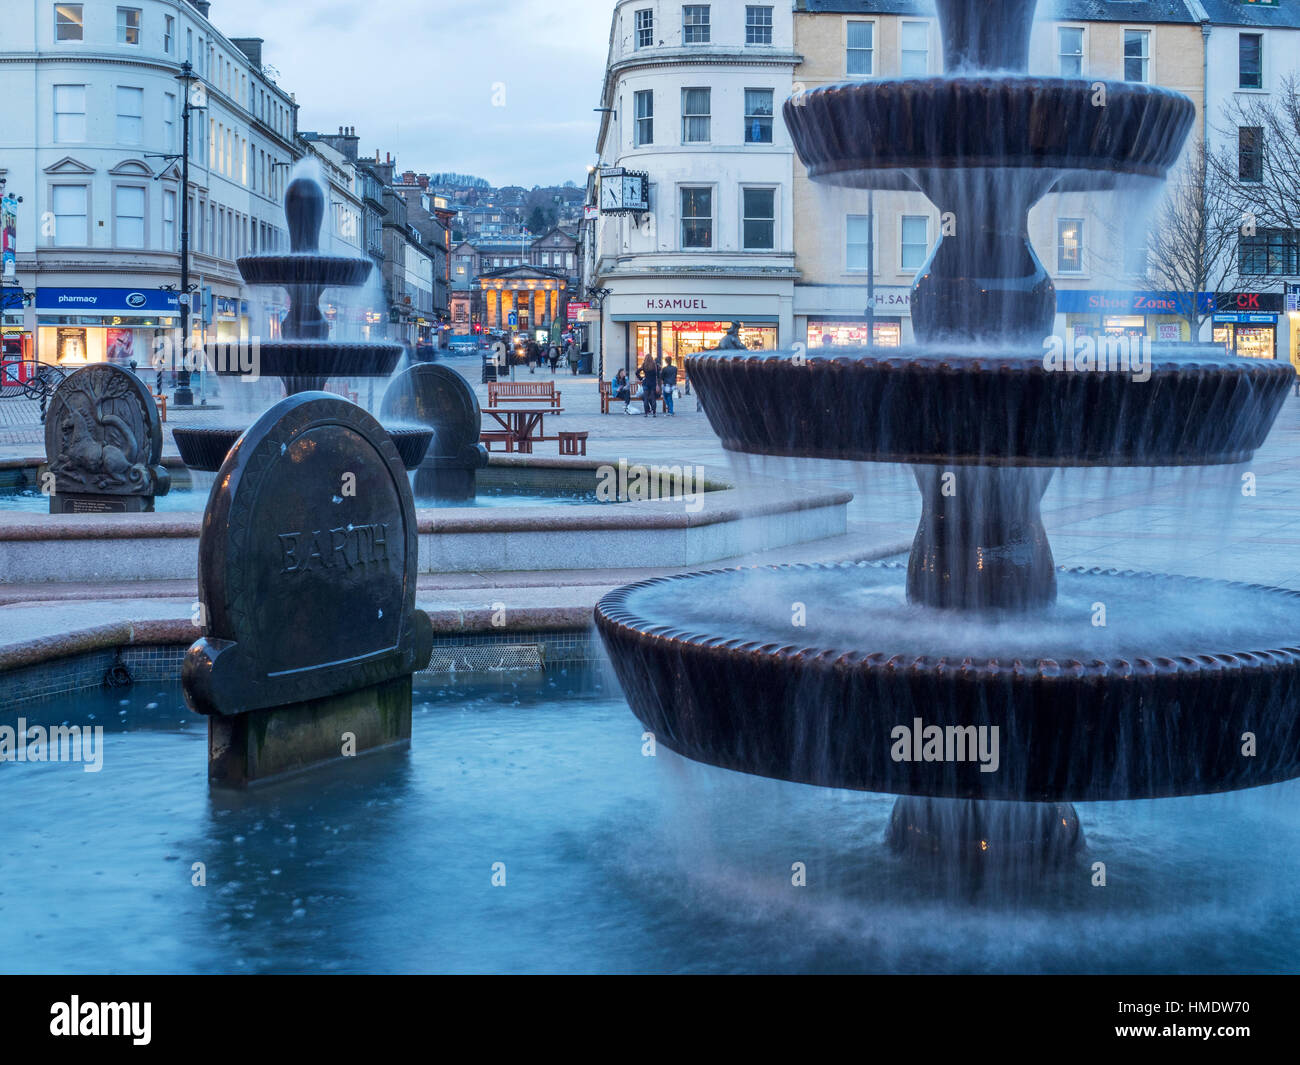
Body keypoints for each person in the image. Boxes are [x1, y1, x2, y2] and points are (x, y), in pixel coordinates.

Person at [636, 353, 659, 418]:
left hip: (646, 383)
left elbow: (637, 372)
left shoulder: (644, 365)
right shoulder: (655, 365)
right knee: (653, 398)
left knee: (646, 398)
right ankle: (654, 413)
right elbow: (658, 375)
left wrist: (641, 378)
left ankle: (646, 413)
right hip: (653, 383)